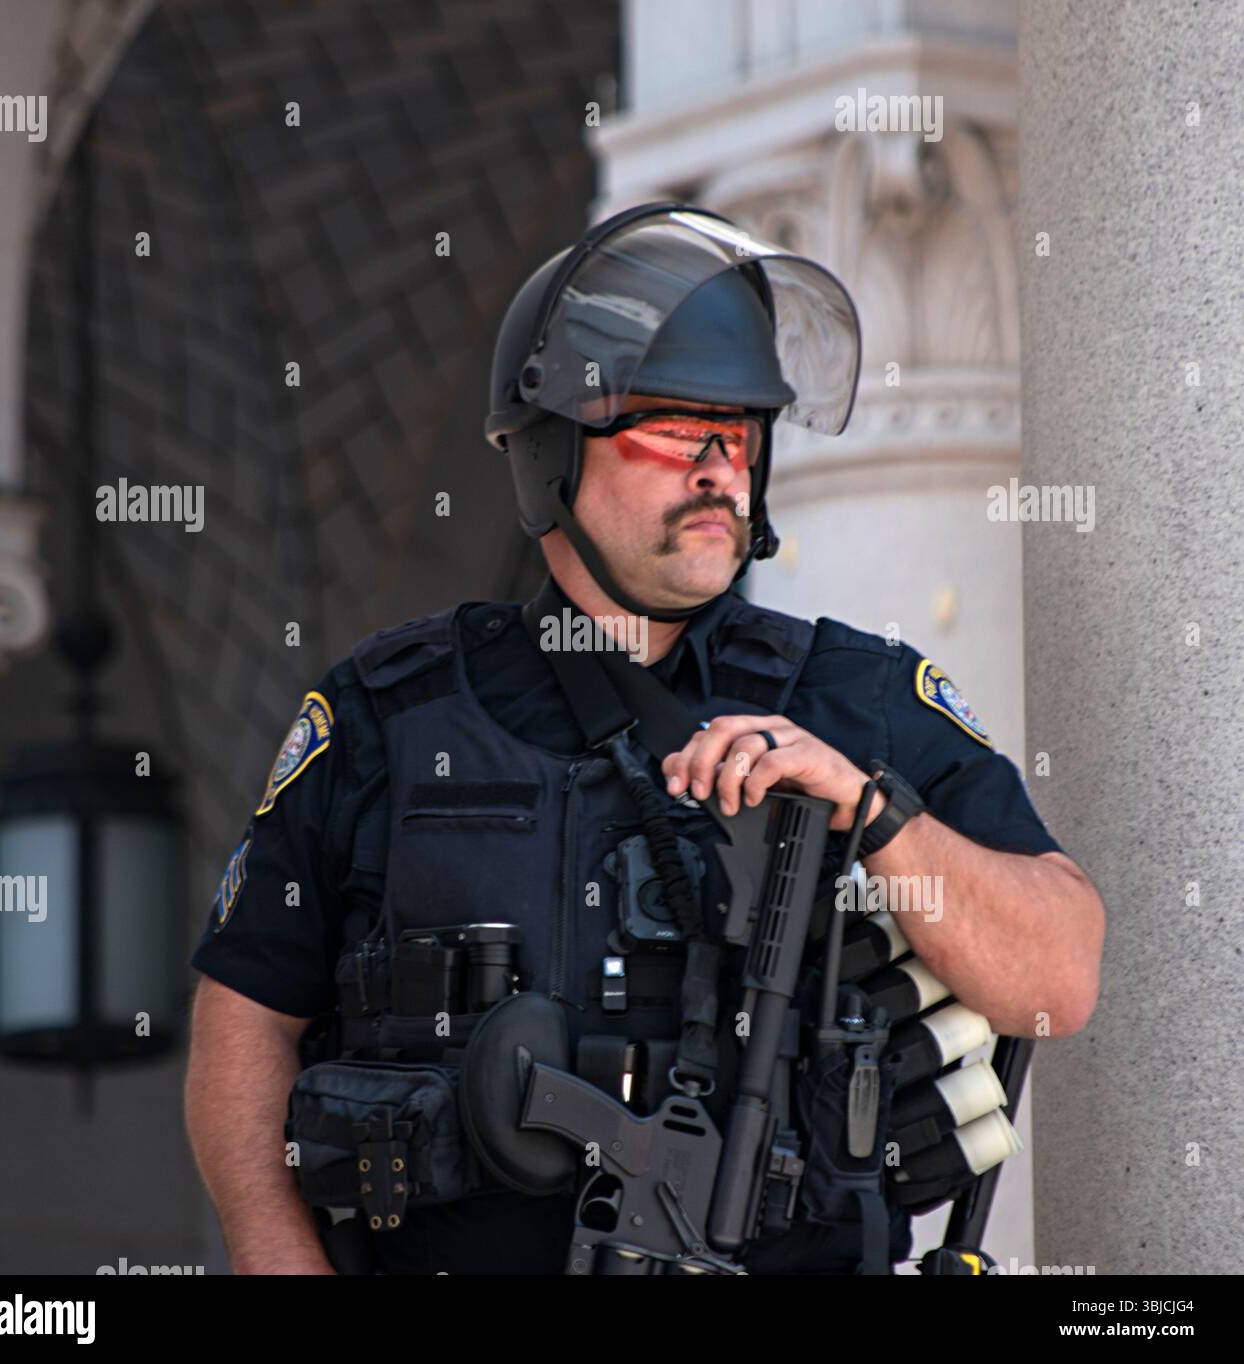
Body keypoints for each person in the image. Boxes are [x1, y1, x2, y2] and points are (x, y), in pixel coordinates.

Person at [183, 203, 1104, 1276]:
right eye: (673, 428)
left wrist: (873, 812)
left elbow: (1058, 974)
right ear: (551, 452)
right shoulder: (386, 713)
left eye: (742, 429)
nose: (718, 465)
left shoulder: (860, 698)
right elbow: (245, 1016)